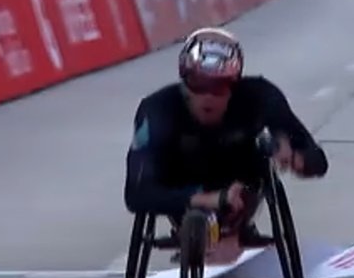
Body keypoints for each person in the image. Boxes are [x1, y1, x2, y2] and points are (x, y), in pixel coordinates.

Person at [123, 28, 328, 250]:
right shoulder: (158, 109)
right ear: (184, 81)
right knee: (157, 175)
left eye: (219, 87)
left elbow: (318, 160)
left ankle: (234, 224)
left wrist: (296, 157)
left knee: (259, 157)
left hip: (240, 181)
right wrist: (204, 199)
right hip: (182, 184)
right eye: (198, 84)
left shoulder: (260, 96)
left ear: (234, 85)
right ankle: (194, 222)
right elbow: (135, 194)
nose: (208, 97)